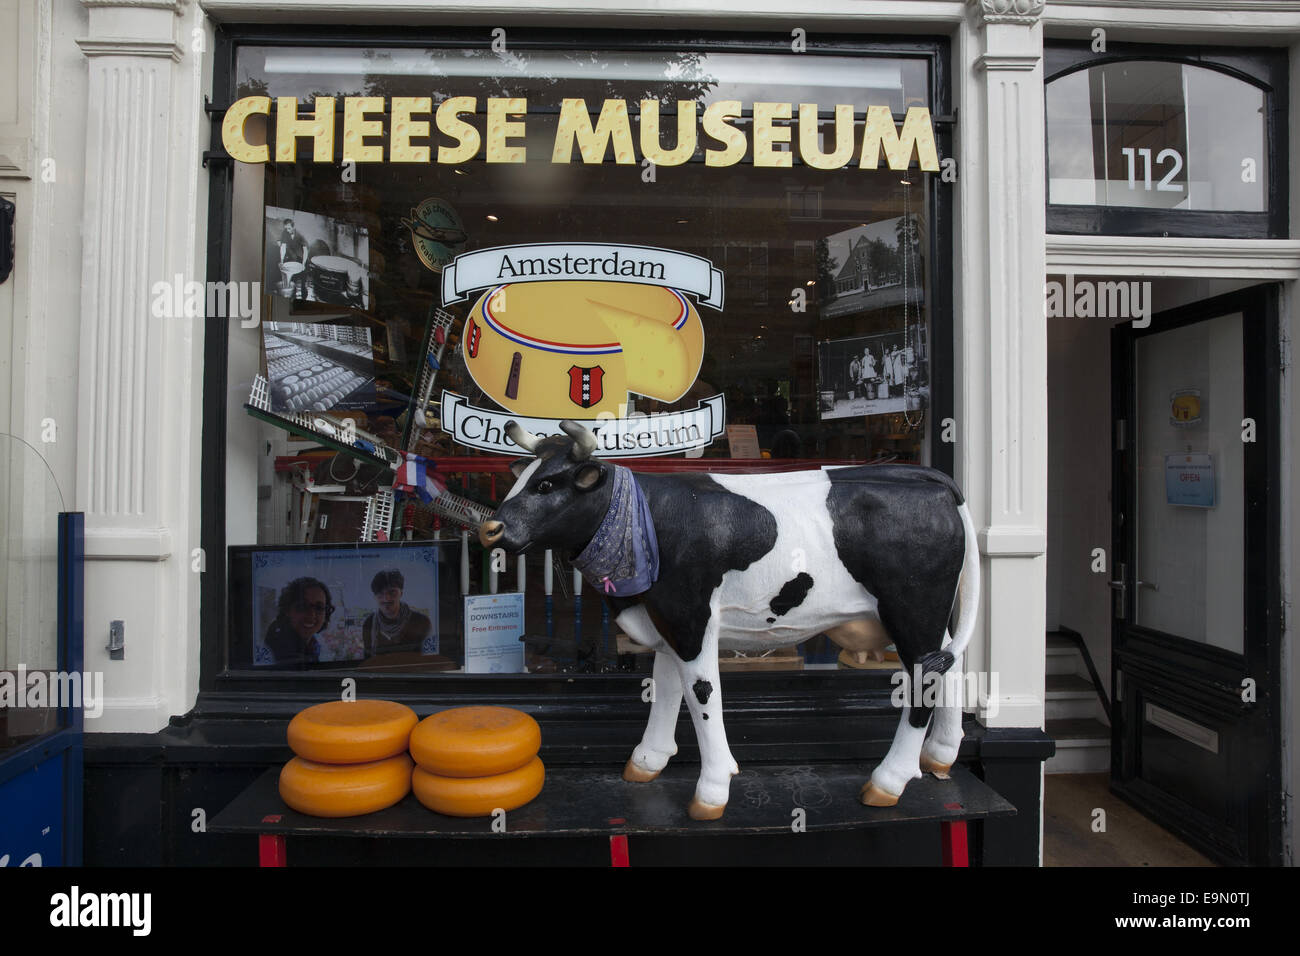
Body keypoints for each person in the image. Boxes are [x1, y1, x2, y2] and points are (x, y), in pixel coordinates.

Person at [261, 577, 333, 667]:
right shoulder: (282, 652)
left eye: (319, 607)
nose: (312, 615)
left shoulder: (312, 645)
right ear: (287, 610)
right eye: (302, 606)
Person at [362, 568, 433, 656]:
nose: (386, 599)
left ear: (401, 593)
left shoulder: (422, 622)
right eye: (380, 593)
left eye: (392, 592)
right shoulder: (369, 623)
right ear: (375, 596)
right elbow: (368, 662)